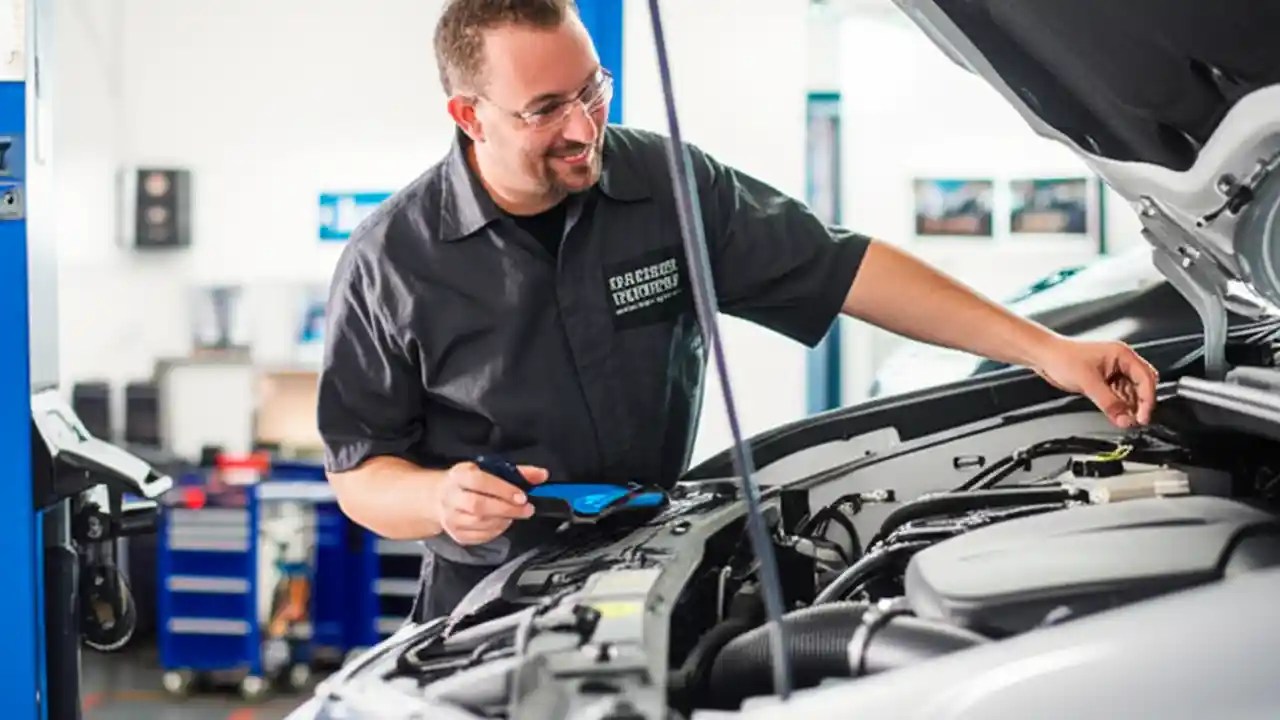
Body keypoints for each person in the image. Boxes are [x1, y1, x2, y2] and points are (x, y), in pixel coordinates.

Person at [317, 0, 1159, 623]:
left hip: (656, 568)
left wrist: (1046, 350)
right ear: (469, 116)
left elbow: (844, 267)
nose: (584, 127)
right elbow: (361, 476)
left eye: (592, 89)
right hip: (489, 602)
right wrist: (441, 501)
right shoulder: (392, 260)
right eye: (544, 111)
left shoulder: (665, 183)